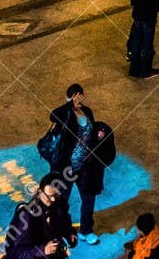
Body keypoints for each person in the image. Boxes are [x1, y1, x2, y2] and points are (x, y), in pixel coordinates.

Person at [46, 84, 114, 245]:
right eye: (74, 96)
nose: (78, 99)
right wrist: (69, 105)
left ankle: (86, 230)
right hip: (66, 167)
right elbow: (53, 116)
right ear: (68, 98)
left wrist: (99, 134)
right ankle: (58, 231)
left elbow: (90, 130)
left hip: (85, 167)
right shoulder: (65, 113)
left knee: (89, 199)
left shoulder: (87, 111)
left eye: (80, 95)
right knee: (61, 201)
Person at [2, 176, 73, 259]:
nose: (53, 199)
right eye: (49, 196)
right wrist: (44, 250)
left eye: (56, 195)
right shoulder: (26, 216)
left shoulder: (58, 203)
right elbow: (16, 252)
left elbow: (65, 220)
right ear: (40, 192)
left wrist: (70, 234)